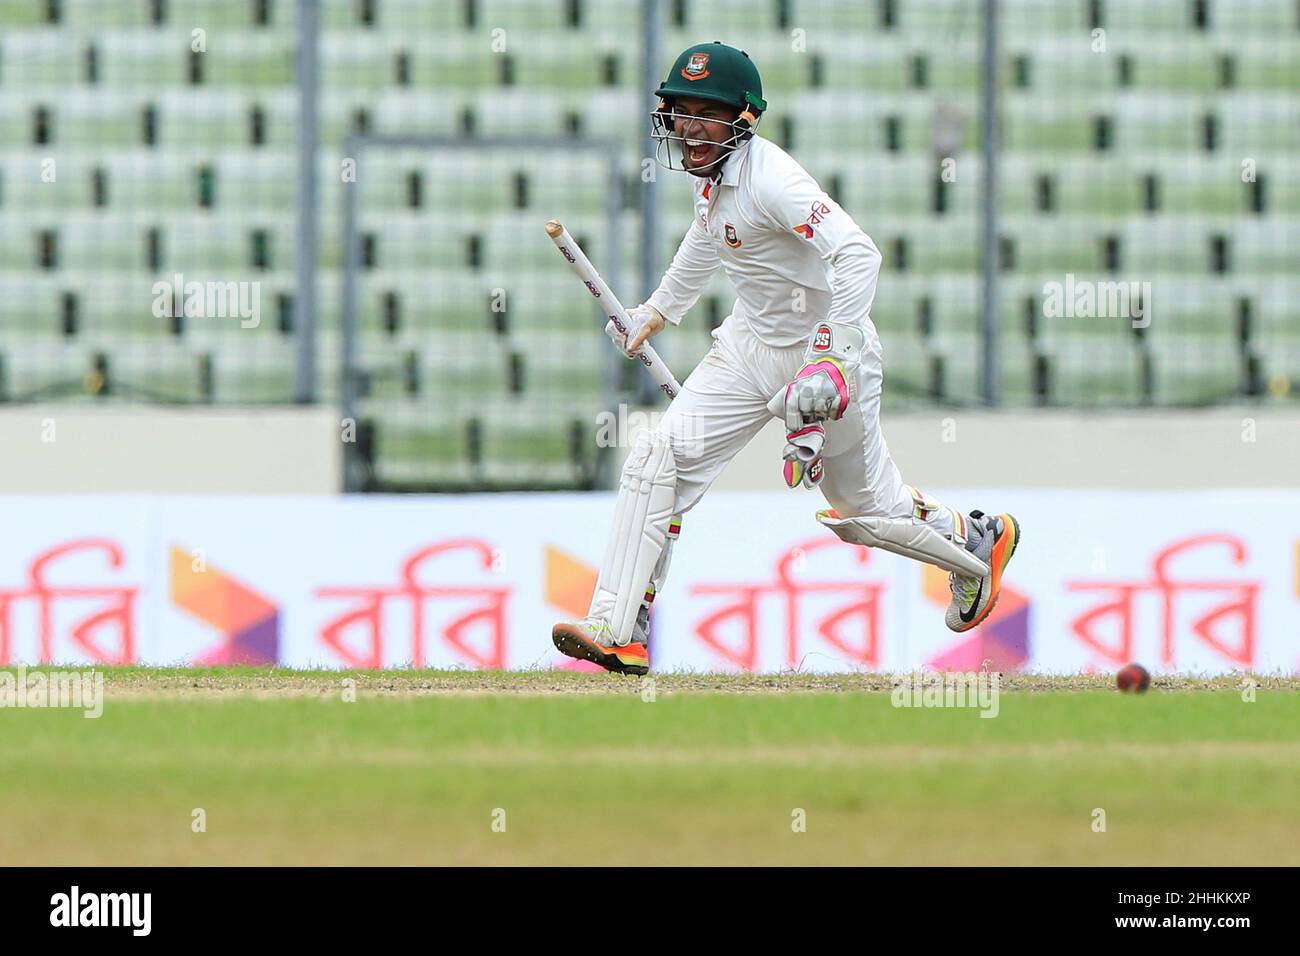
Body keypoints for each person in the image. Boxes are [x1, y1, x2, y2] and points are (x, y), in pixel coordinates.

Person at [552, 42, 1020, 675]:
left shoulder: (772, 178)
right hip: (748, 348)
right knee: (655, 459)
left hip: (826, 356)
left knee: (864, 512)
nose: (688, 128)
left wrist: (831, 356)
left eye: (704, 114)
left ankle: (974, 541)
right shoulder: (715, 183)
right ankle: (618, 626)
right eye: (679, 111)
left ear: (743, 121)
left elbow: (859, 254)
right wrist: (654, 314)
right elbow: (706, 242)